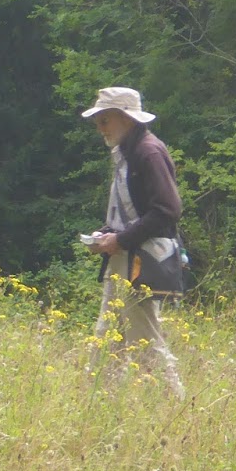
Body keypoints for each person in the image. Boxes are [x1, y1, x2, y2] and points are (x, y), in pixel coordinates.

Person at [81, 87, 186, 400]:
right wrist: (106, 235)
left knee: (146, 343)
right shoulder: (128, 151)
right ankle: (99, 408)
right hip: (124, 258)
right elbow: (132, 212)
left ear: (126, 119)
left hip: (141, 261)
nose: (100, 128)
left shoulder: (148, 152)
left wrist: (121, 238)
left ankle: (173, 407)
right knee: (106, 341)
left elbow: (168, 209)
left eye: (104, 120)